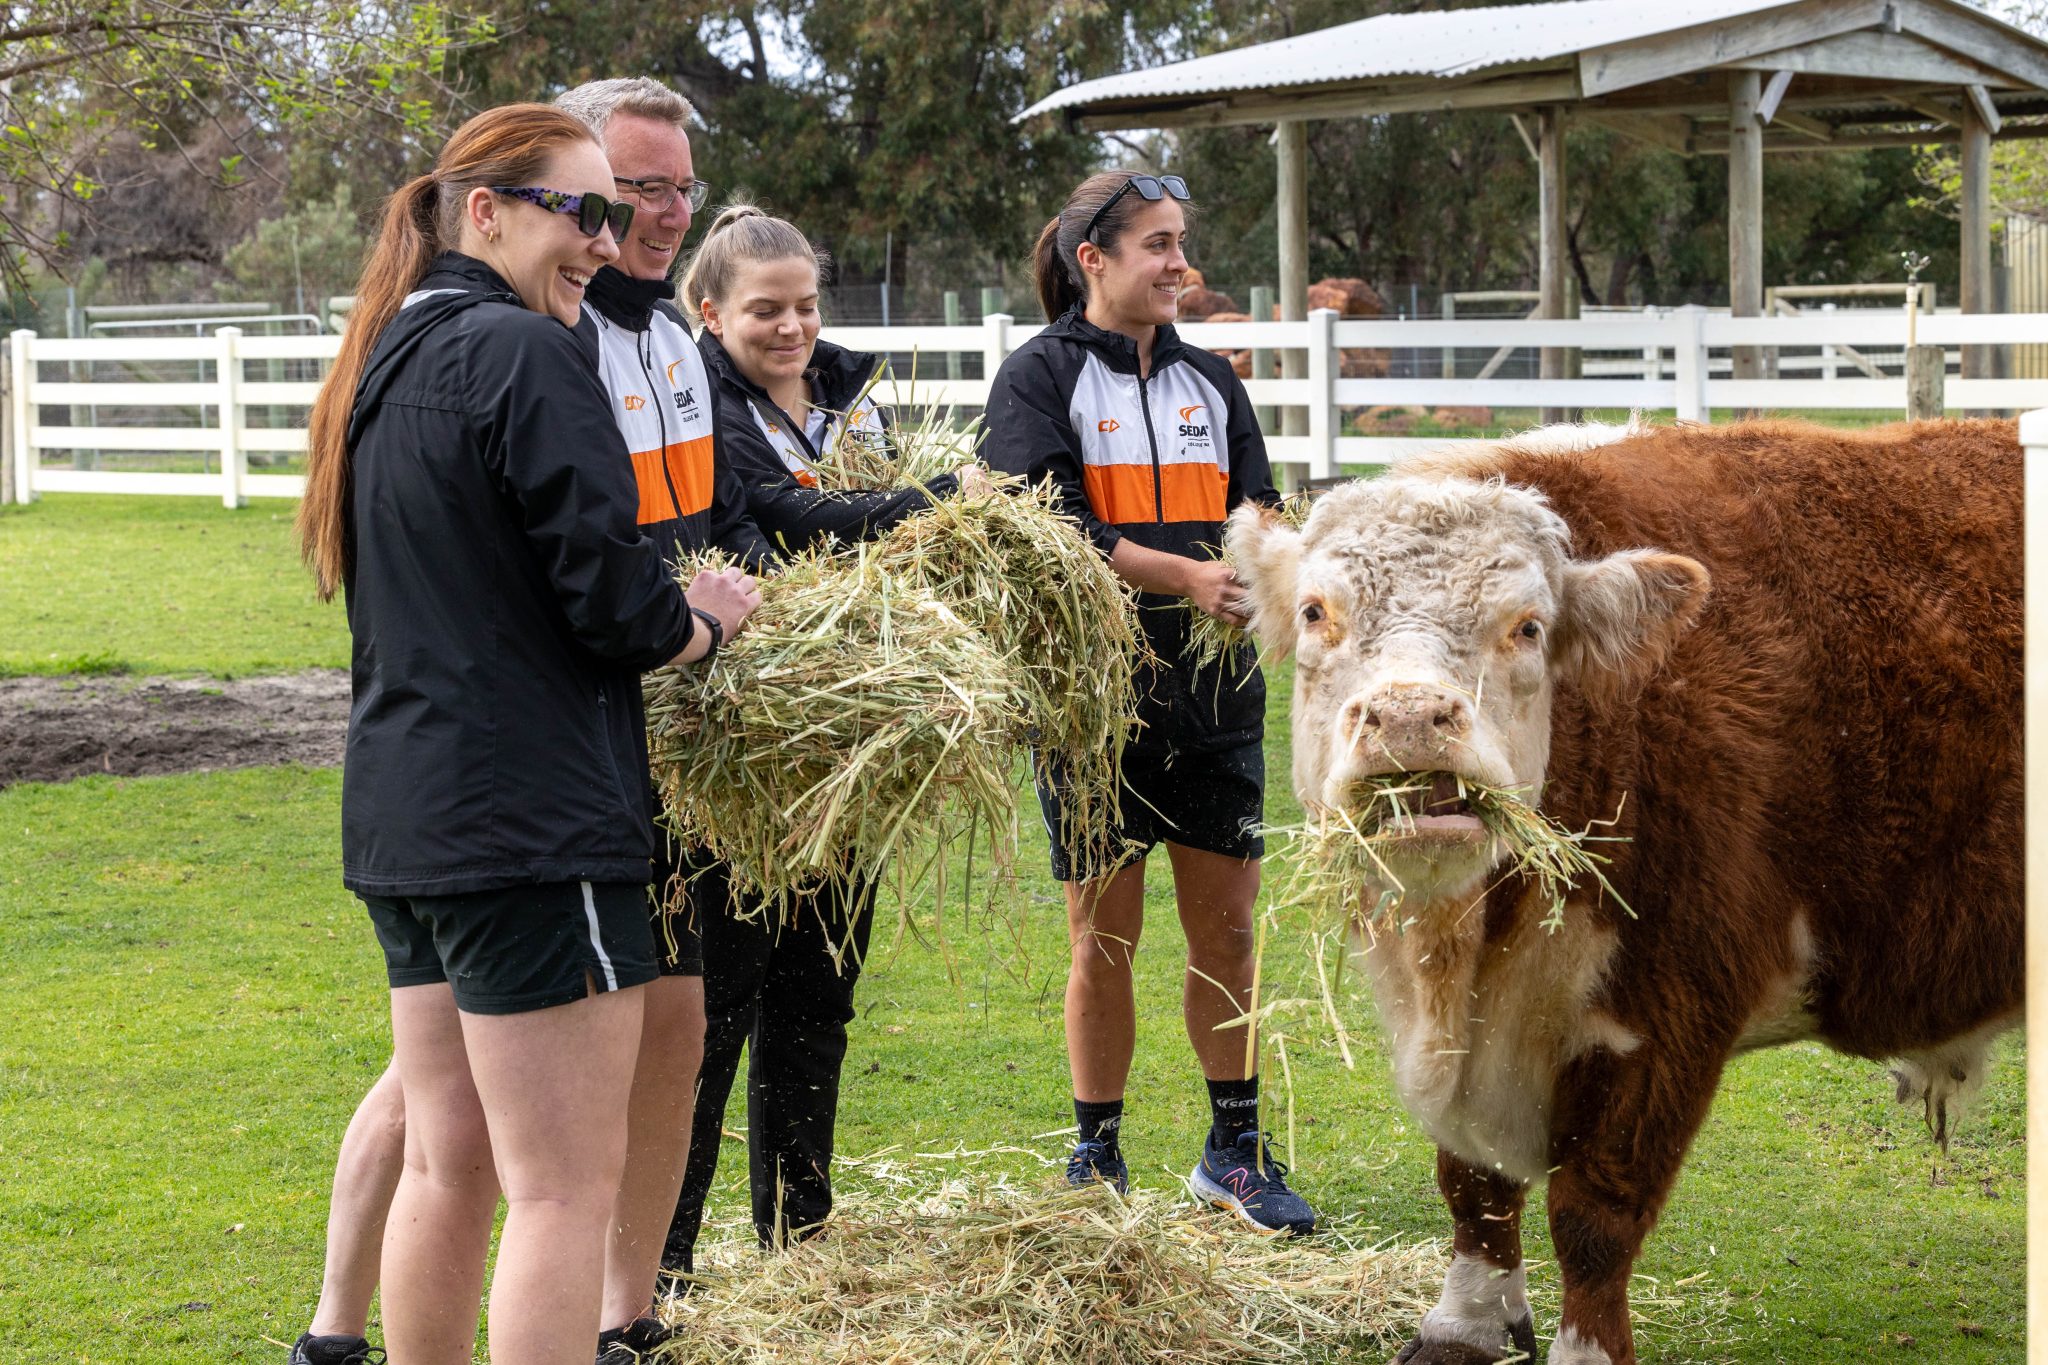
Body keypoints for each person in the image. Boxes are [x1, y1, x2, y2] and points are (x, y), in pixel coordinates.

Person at [285, 78, 771, 1365]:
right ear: (487, 212)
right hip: (537, 827)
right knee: (561, 1189)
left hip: (406, 819)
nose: (606, 247)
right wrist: (709, 616)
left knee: (451, 1168)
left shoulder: (386, 351)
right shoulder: (526, 350)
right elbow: (618, 608)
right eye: (582, 215)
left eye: (618, 218)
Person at [981, 171, 1315, 1236]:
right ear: (1094, 258)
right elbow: (1048, 529)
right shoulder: (1035, 376)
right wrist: (1181, 578)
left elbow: (1256, 508)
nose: (1180, 263)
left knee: (1226, 935)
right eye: (1157, 245)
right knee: (1103, 939)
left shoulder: (1212, 380)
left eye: (1181, 242)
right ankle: (1096, 1156)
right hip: (1093, 699)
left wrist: (1263, 567)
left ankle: (1234, 1154)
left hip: (1215, 698)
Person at [659, 203, 980, 1275]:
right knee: (716, 1007)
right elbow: (764, 523)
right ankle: (661, 1265)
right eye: (763, 309)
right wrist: (927, 505)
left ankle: (799, 1244)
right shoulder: (695, 404)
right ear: (709, 314)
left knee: (819, 993)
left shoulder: (854, 401)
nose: (790, 326)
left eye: (803, 304)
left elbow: (865, 546)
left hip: (849, 741)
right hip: (747, 744)